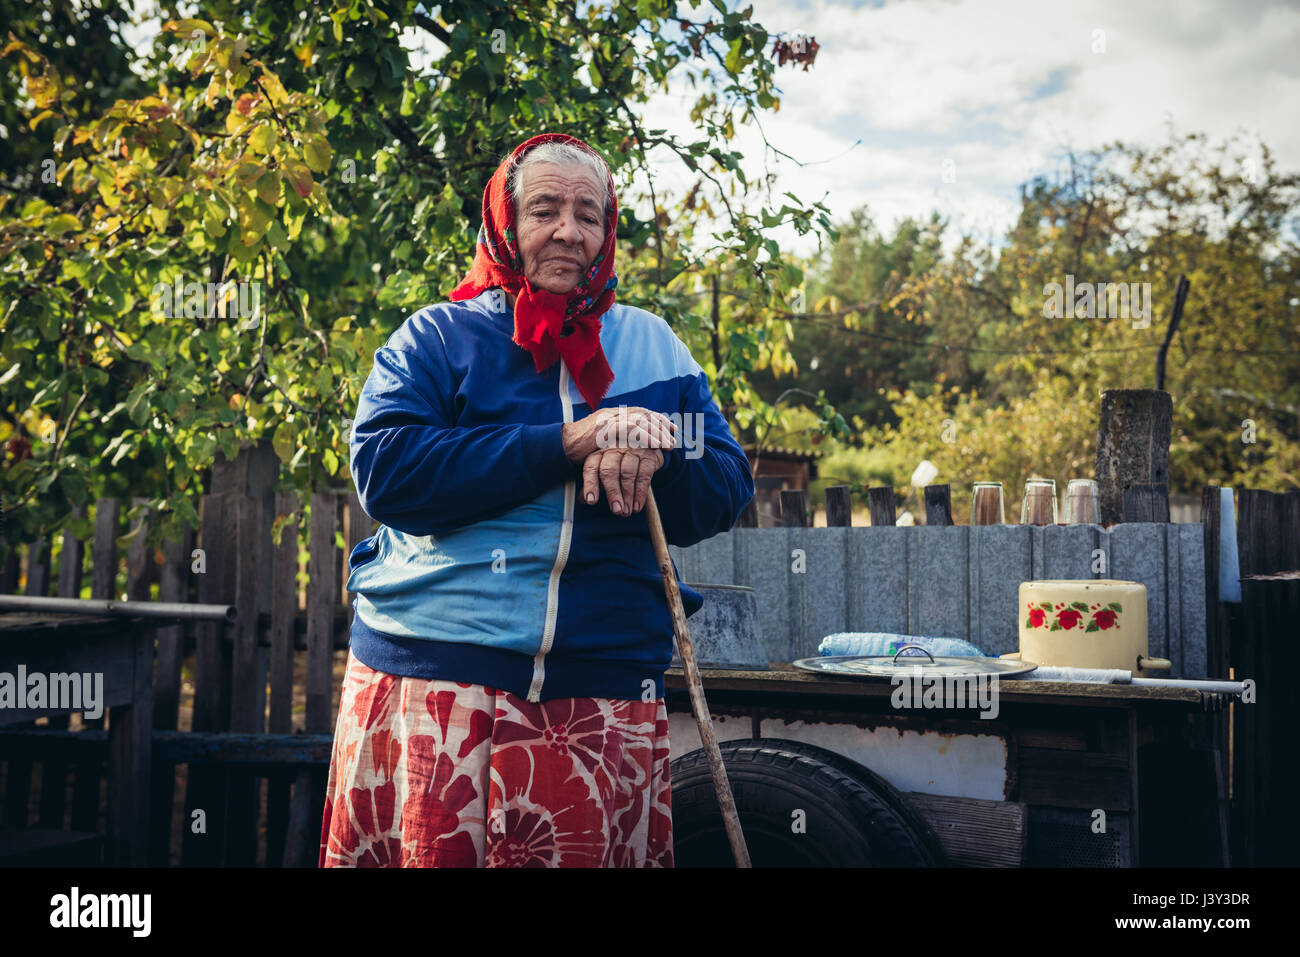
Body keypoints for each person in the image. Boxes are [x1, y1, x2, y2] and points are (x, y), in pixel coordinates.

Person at [318, 132, 754, 868]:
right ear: (506, 224)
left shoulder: (654, 348)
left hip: (601, 692)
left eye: (589, 214)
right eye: (545, 209)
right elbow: (388, 470)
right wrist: (567, 442)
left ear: (608, 231)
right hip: (437, 681)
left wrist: (661, 452)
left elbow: (723, 488)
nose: (568, 231)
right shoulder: (437, 337)